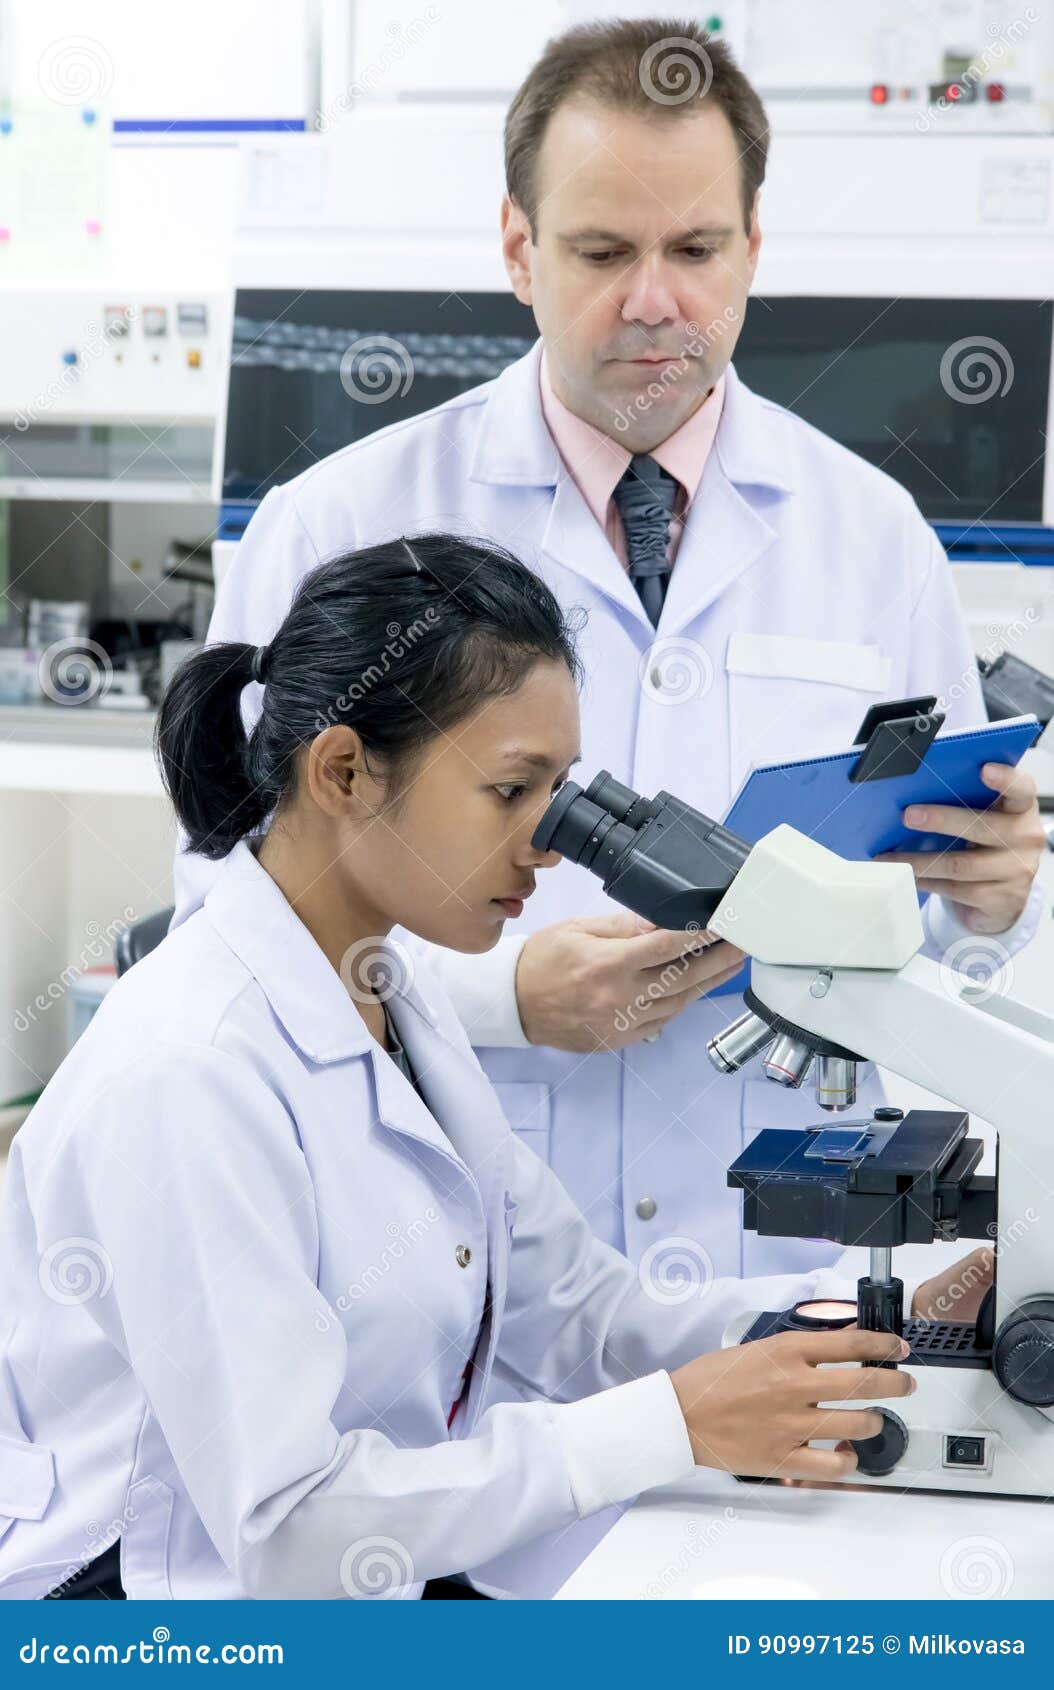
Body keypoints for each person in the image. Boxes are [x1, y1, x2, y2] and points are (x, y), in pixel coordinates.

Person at [173, 17, 1045, 1286]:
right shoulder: (343, 522)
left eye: (695, 248)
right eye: (600, 250)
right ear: (519, 250)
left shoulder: (874, 537)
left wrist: (996, 904)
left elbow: (931, 929)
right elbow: (223, 914)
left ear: (753, 248)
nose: (654, 300)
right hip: (441, 1242)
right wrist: (500, 997)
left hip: (774, 1252)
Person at [0, 536, 978, 1601]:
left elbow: (571, 1308)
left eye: (562, 793)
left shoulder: (388, 994)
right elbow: (284, 1530)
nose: (550, 845)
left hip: (380, 1580)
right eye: (512, 791)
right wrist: (672, 1425)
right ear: (341, 771)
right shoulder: (187, 1073)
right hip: (150, 1615)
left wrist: (836, 1329)